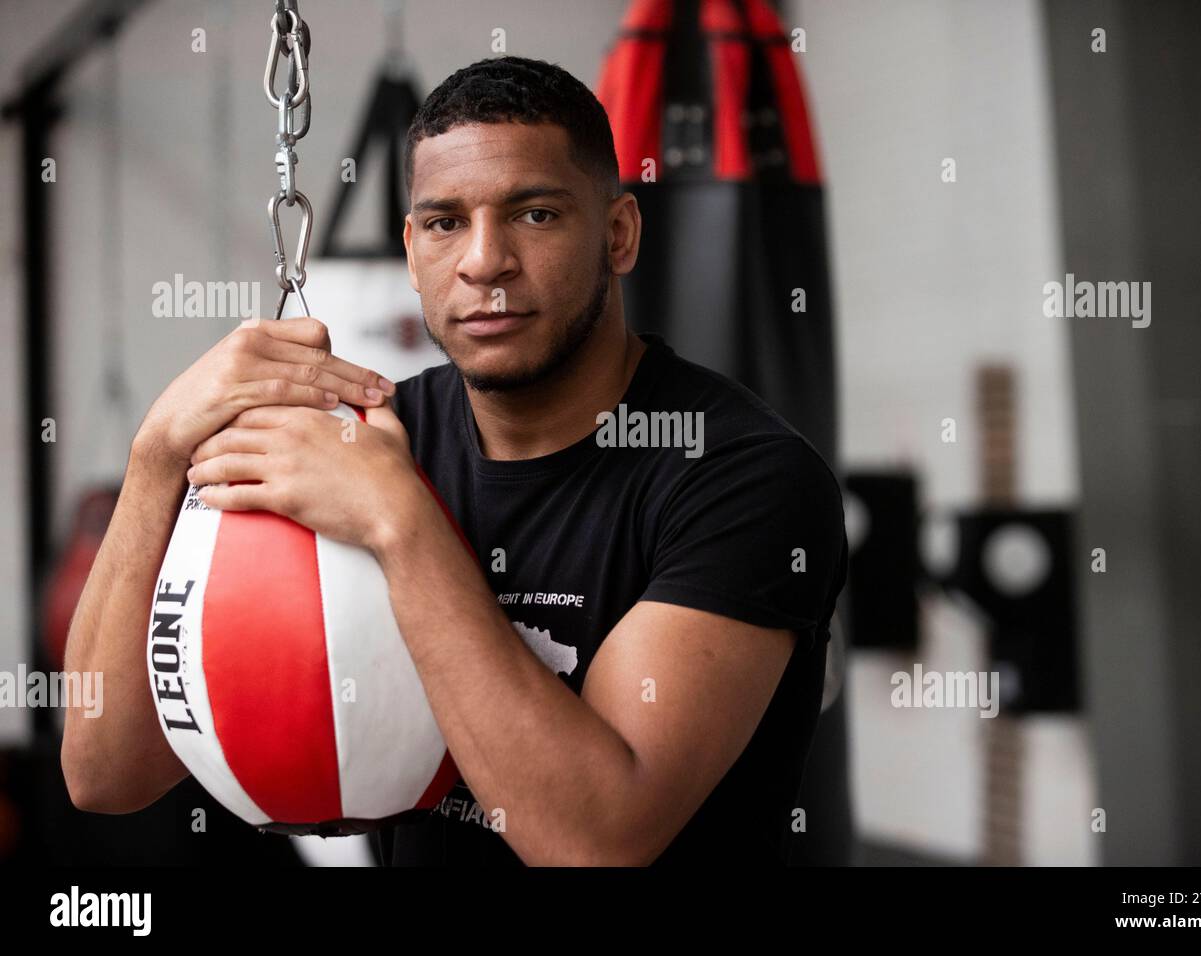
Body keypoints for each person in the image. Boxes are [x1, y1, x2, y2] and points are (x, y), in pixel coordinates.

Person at [61, 55, 847, 866]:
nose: (483, 262)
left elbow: (595, 842)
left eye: (534, 215)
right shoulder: (370, 437)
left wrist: (400, 520)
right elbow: (104, 773)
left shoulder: (742, 478)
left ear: (618, 235)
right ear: (409, 249)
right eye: (444, 223)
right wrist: (156, 456)